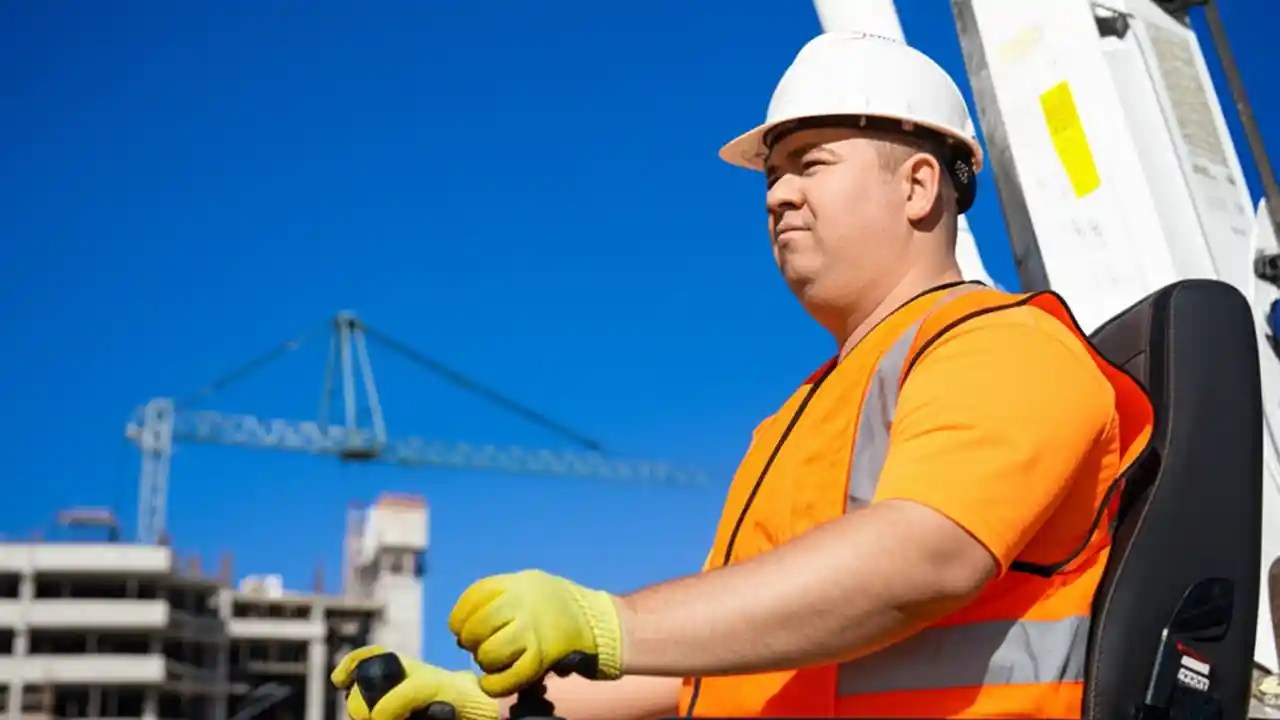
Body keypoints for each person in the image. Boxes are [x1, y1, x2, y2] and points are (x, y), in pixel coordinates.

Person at [331, 31, 1155, 719]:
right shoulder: (806, 412)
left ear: (917, 184)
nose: (778, 196)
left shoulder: (1002, 347)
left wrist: (605, 618)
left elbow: (921, 558)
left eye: (810, 162)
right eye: (773, 175)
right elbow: (721, 657)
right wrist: (490, 703)